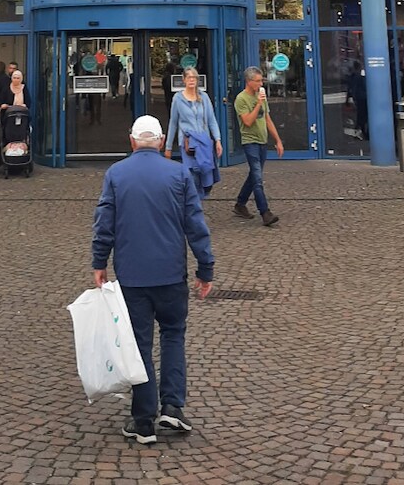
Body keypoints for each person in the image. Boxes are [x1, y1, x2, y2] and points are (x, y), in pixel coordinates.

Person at [91, 114, 216, 446]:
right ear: (161, 142)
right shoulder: (179, 174)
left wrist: (99, 261)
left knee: (139, 344)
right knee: (173, 336)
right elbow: (195, 223)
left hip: (133, 276)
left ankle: (143, 419)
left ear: (132, 141)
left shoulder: (116, 174)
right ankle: (173, 406)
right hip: (171, 273)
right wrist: (205, 267)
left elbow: (104, 222)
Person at [233, 65, 284, 226]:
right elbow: (248, 121)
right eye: (257, 81)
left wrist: (278, 140)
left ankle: (240, 204)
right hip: (250, 142)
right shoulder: (241, 99)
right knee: (257, 179)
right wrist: (258, 103)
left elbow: (267, 119)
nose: (261, 84)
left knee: (254, 175)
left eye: (261, 80)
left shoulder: (261, 95)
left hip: (262, 141)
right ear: (248, 81)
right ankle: (265, 212)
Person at [164, 67, 221, 197]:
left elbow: (211, 120)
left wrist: (218, 140)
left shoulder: (204, 97)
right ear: (184, 80)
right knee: (193, 177)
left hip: (204, 143)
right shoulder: (178, 99)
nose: (191, 80)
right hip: (188, 143)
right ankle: (194, 205)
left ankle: (198, 200)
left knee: (207, 178)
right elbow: (173, 123)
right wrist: (168, 147)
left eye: (194, 77)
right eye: (189, 77)